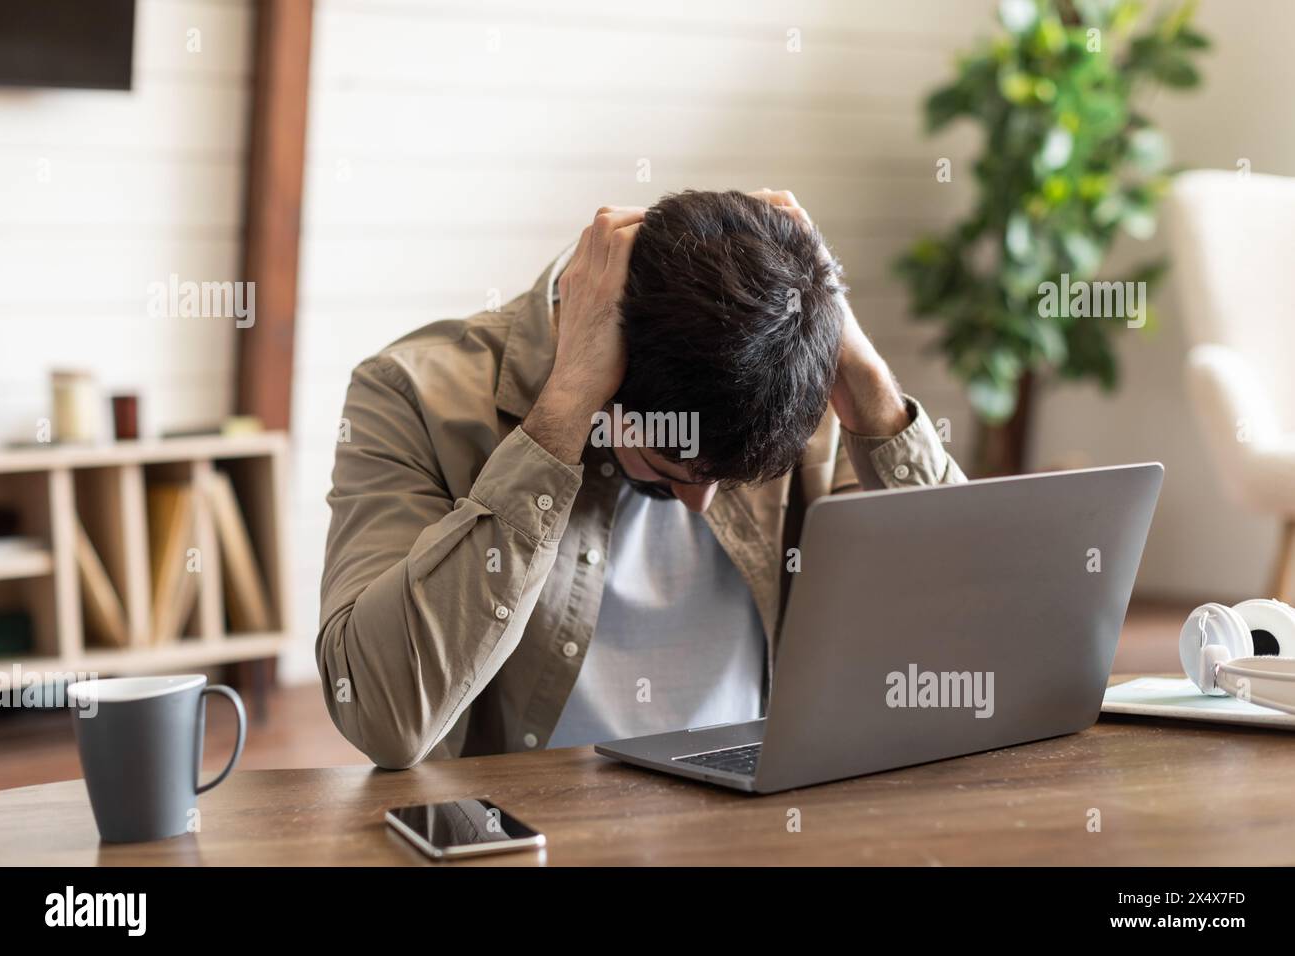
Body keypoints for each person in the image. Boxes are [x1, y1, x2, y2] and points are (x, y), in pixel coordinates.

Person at [317, 188, 965, 768]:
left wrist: (870, 387)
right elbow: (382, 716)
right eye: (667, 468)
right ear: (608, 374)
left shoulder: (787, 390)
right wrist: (560, 414)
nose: (697, 501)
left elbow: (966, 636)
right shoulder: (411, 394)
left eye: (730, 481)